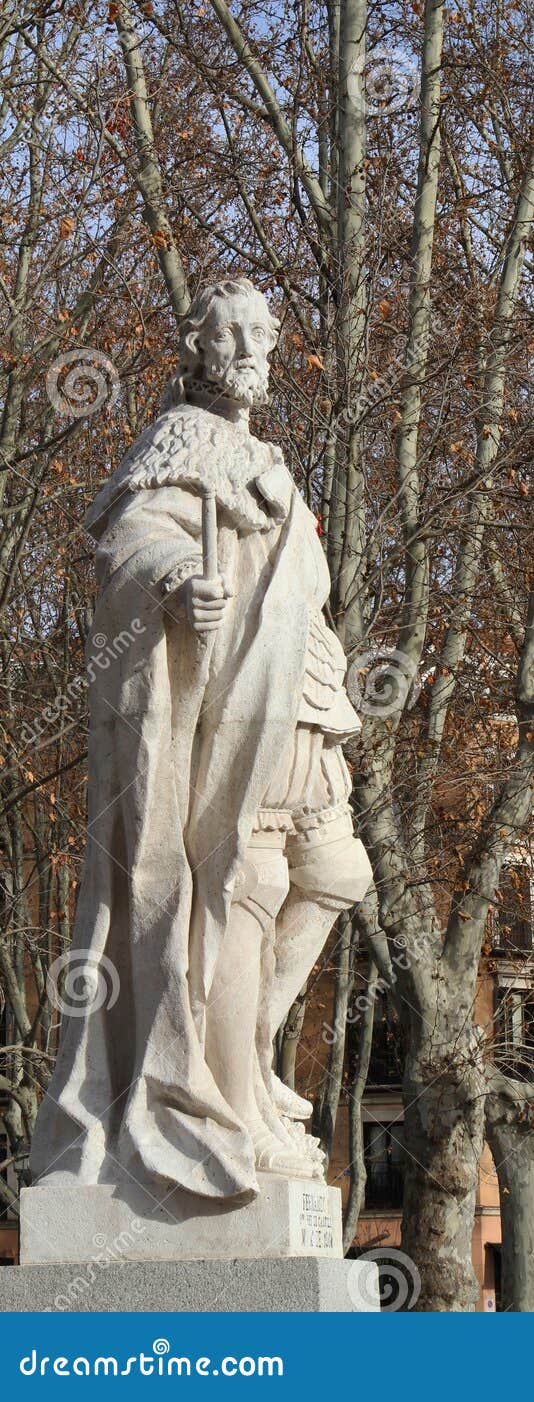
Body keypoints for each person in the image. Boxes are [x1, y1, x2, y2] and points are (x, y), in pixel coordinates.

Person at [30, 279, 372, 1200]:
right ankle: (231, 1101)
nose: (251, 348)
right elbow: (126, 543)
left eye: (262, 332)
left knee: (340, 873)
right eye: (232, 334)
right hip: (226, 703)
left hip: (298, 690)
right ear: (199, 347)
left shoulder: (271, 458)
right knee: (244, 877)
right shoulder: (177, 440)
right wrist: (179, 574)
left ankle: (247, 1051)